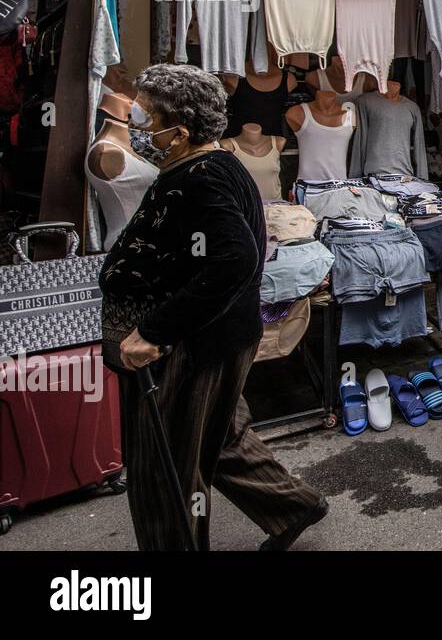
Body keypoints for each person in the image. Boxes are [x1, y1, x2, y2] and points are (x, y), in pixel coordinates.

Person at [99, 63, 327, 550]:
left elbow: (234, 258)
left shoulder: (203, 177)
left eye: (147, 119)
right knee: (221, 439)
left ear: (179, 133)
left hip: (190, 349)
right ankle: (293, 507)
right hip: (216, 339)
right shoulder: (205, 166)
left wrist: (155, 331)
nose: (140, 128)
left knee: (166, 473)